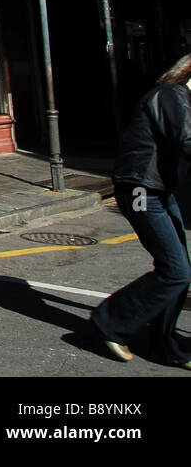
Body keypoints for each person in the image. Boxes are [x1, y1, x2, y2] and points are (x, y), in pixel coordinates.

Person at [92, 54, 191, 368]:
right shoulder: (171, 95)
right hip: (139, 190)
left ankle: (163, 344)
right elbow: (187, 139)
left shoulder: (180, 98)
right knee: (176, 271)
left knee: (179, 271)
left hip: (156, 188)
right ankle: (111, 319)